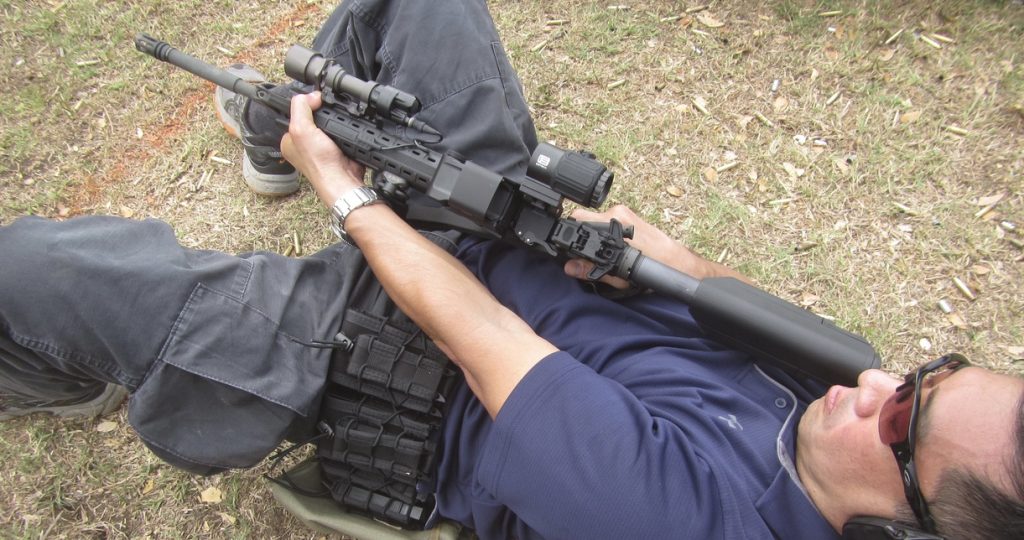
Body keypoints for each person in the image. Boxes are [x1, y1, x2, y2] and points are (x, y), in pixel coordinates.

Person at [1, 1, 1022, 538]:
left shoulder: (683, 522)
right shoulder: (845, 392)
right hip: (511, 241)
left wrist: (349, 189)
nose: (876, 385)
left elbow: (482, 340)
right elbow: (717, 295)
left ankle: (47, 374)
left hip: (387, 358)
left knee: (26, 266)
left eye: (902, 421)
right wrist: (643, 252)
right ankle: (284, 137)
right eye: (926, 373)